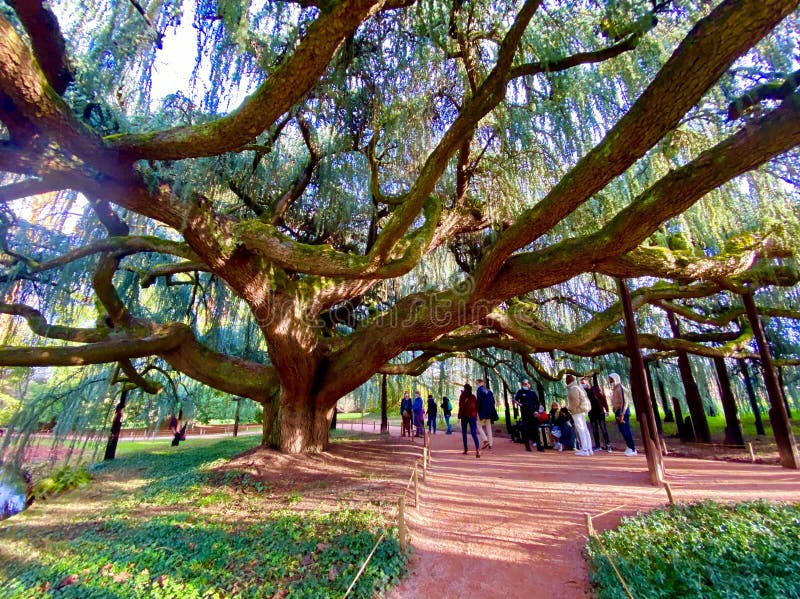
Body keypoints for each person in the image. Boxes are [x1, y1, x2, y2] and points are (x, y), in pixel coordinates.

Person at [608, 373, 637, 456]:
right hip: (618, 411)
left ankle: (632, 448)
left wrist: (622, 414)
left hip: (622, 411)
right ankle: (628, 446)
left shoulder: (620, 388)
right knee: (622, 430)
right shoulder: (615, 388)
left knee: (626, 430)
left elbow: (624, 402)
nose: (610, 381)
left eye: (611, 379)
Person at [566, 374, 593, 456]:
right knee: (585, 429)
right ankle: (589, 448)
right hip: (582, 410)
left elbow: (575, 401)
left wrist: (570, 408)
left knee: (581, 429)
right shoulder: (578, 387)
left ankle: (585, 449)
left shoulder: (573, 389)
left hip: (577, 411)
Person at [514, 379, 543, 452]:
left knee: (535, 430)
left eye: (526, 384)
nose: (525, 385)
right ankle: (527, 447)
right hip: (525, 414)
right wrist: (521, 405)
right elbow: (516, 400)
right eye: (524, 384)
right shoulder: (520, 392)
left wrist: (536, 411)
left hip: (533, 414)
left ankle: (539, 446)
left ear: (529, 384)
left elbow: (537, 402)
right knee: (526, 430)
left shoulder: (532, 393)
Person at [583, 377, 611, 452]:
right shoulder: (583, 392)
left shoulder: (595, 389)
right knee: (594, 430)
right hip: (591, 413)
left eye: (584, 383)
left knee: (603, 428)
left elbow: (602, 399)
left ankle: (608, 445)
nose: (583, 385)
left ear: (588, 382)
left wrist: (607, 409)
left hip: (599, 412)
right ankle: (597, 445)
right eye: (582, 383)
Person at [458, 383, 481, 458]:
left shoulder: (462, 396)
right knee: (474, 433)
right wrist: (475, 415)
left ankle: (466, 449)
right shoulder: (473, 397)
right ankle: (477, 449)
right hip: (472, 417)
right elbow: (477, 406)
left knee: (464, 433)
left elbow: (461, 406)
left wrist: (459, 416)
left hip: (464, 417)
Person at [475, 378, 495, 449]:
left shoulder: (479, 390)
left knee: (479, 426)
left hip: (482, 412)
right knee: (489, 428)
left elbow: (479, 401)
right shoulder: (489, 390)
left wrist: (477, 409)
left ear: (480, 383)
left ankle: (485, 440)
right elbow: (493, 401)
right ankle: (491, 444)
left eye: (477, 383)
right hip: (489, 412)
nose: (476, 385)